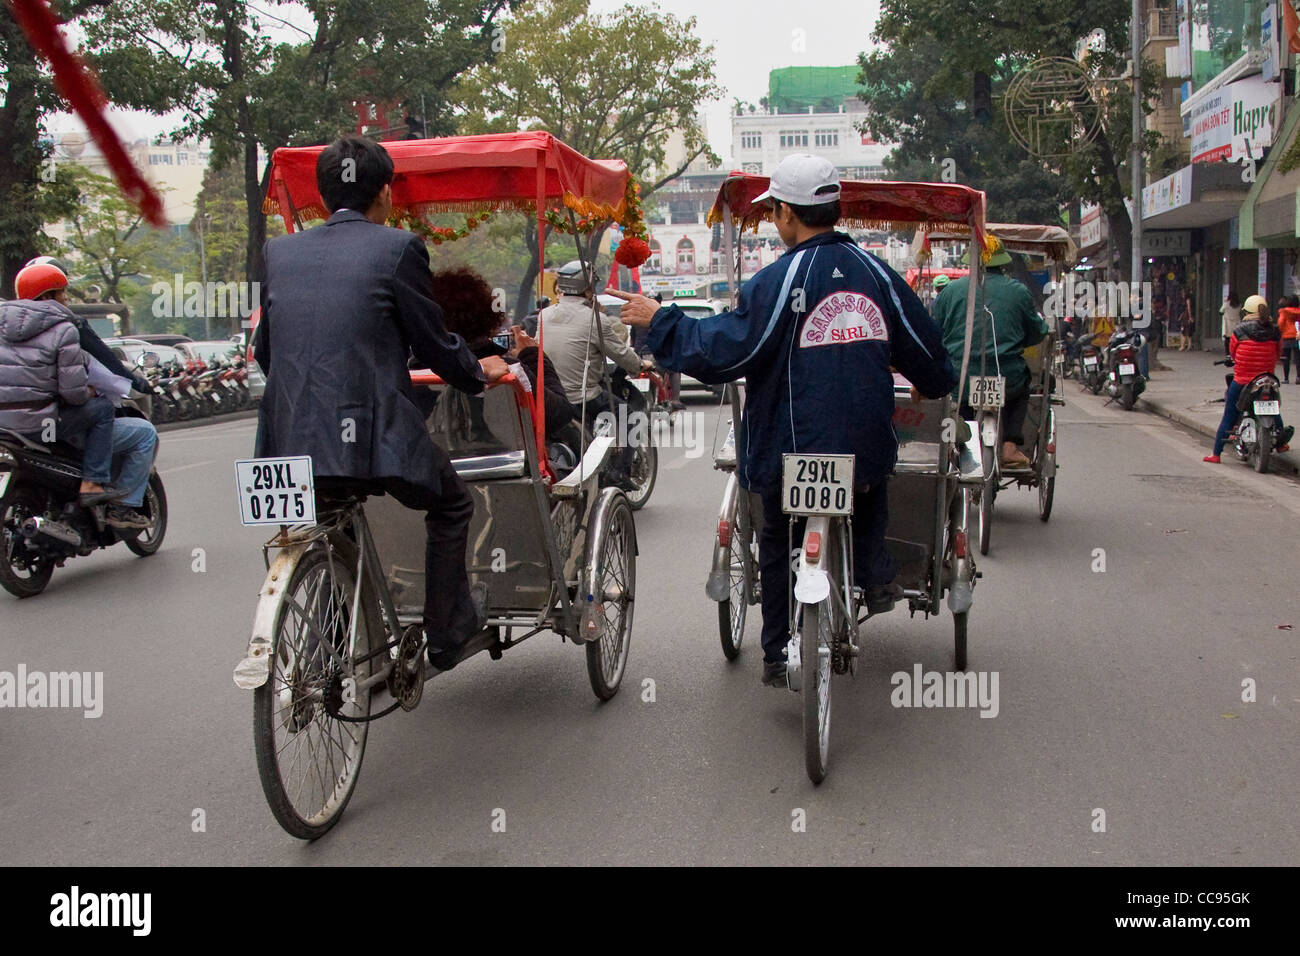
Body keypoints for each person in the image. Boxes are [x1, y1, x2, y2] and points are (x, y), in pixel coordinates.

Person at [610, 154, 957, 686]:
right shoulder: (878, 275)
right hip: (864, 443)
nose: (774, 220)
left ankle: (775, 653)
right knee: (868, 484)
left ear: (788, 215)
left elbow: (728, 349)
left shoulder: (780, 279)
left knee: (777, 538)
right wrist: (932, 383)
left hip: (791, 450)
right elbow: (929, 360)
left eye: (775, 211)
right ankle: (876, 575)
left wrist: (664, 321)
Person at [253, 135, 509, 672]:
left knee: (325, 522)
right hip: (372, 435)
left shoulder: (280, 252)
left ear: (324, 196)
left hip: (287, 440)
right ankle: (446, 632)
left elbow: (266, 352)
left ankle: (333, 640)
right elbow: (436, 344)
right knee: (452, 503)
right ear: (385, 194)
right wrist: (475, 375)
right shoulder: (397, 248)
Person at [0, 261, 150, 526]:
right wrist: (90, 391)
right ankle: (93, 483)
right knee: (103, 409)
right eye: (62, 292)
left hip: (5, 427)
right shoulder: (64, 329)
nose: (67, 298)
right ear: (47, 296)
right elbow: (74, 395)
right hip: (42, 425)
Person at [427, 266, 580, 444]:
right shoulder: (505, 369)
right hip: (513, 467)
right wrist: (532, 355)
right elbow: (559, 415)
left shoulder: (411, 369)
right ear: (486, 317)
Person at [931, 247, 1050, 468]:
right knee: (1022, 386)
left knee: (959, 402)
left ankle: (961, 444)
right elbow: (1036, 331)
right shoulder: (1019, 291)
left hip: (961, 375)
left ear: (971, 263)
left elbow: (934, 332)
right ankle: (1010, 447)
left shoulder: (949, 291)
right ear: (1002, 263)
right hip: (1006, 375)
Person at [536, 260, 652, 486]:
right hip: (583, 397)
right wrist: (641, 365)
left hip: (550, 396)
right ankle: (619, 473)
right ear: (589, 289)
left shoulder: (544, 316)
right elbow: (621, 354)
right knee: (630, 416)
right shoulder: (595, 319)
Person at [1204, 294, 1294, 463]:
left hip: (1243, 381)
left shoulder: (1239, 330)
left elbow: (1232, 353)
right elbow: (1278, 353)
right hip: (1268, 379)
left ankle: (1216, 454)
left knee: (1229, 415)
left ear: (1247, 311)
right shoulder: (1274, 331)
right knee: (1273, 409)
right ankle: (1281, 443)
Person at [1276, 295, 1300, 382]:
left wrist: (1281, 332)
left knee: (1286, 358)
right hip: (1298, 336)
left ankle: (1286, 378)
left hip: (1287, 337)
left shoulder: (1284, 312)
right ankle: (1298, 377)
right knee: (1298, 358)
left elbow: (1280, 323)